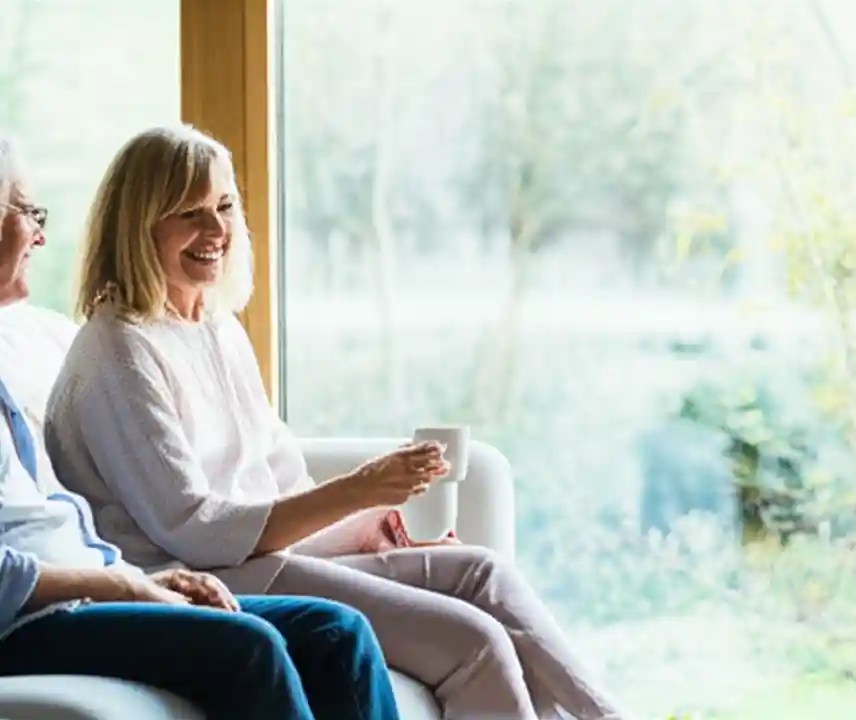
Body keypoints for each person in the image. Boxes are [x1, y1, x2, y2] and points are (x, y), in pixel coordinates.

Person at [44, 125, 625, 720]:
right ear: (139, 227)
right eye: (190, 214)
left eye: (224, 206)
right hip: (203, 579)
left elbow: (276, 490)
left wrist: (369, 522)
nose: (217, 231)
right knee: (471, 643)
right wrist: (359, 487)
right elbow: (194, 530)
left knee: (483, 573)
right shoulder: (119, 352)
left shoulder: (217, 328)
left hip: (257, 561)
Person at [0, 135, 400, 720]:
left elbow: (58, 522)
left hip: (86, 592)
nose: (39, 234)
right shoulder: (116, 349)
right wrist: (127, 587)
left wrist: (147, 577)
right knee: (249, 648)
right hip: (30, 620)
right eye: (25, 211)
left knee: (334, 631)